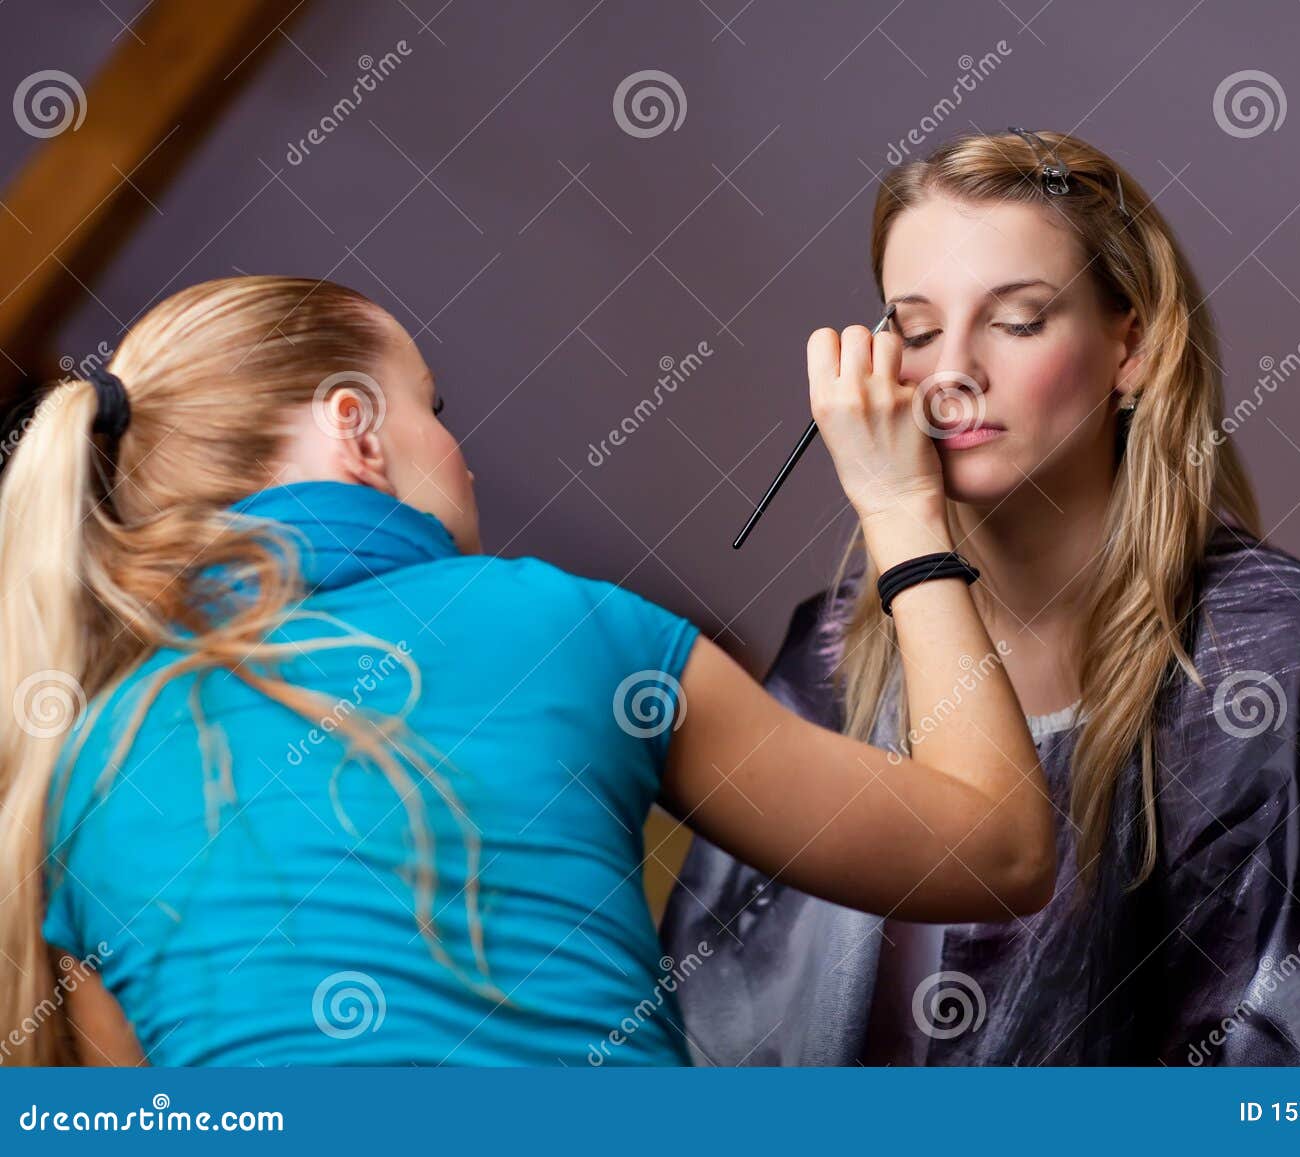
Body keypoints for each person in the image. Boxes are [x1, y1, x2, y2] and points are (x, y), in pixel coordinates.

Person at [0, 275, 1056, 1066]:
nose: (456, 451)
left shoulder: (82, 767)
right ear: (354, 426)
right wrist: (900, 508)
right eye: (435, 407)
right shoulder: (559, 623)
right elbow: (998, 850)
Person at [662, 129, 1300, 1066]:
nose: (950, 372)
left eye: (1019, 320)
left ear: (1133, 348)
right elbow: (707, 1028)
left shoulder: (1285, 653)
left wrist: (902, 515)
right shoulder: (831, 653)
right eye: (914, 330)